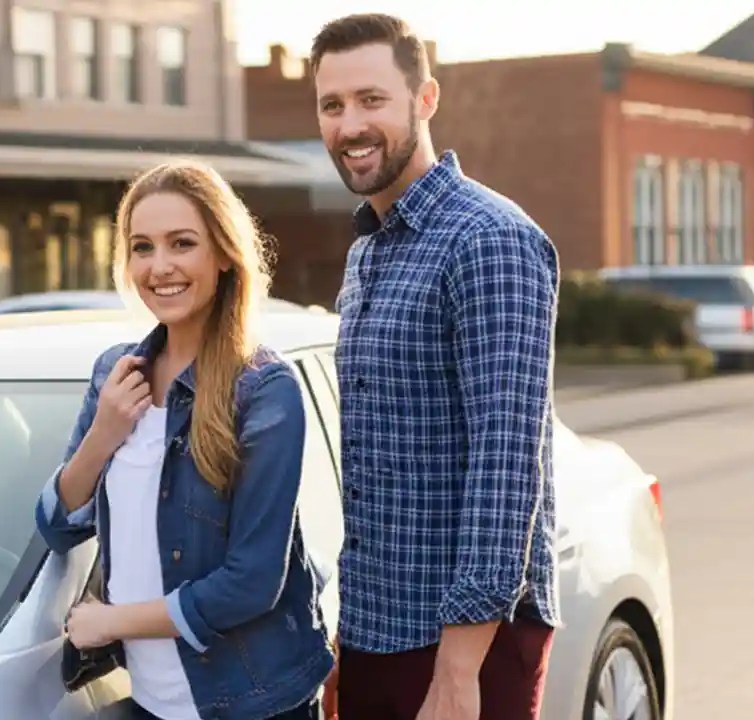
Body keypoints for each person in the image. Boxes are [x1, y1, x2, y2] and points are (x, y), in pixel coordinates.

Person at [311, 13, 562, 720]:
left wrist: (457, 674)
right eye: (333, 106)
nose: (350, 125)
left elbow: (506, 465)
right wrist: (349, 641)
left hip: (466, 644)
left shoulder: (490, 240)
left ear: (426, 99)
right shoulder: (368, 250)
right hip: (379, 631)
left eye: (371, 100)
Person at [34, 159, 333, 720]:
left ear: (223, 254)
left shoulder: (264, 392)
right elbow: (56, 524)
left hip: (253, 699)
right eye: (142, 247)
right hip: (152, 701)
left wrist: (111, 621)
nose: (159, 266)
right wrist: (103, 434)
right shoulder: (116, 374)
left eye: (182, 243)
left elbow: (250, 585)